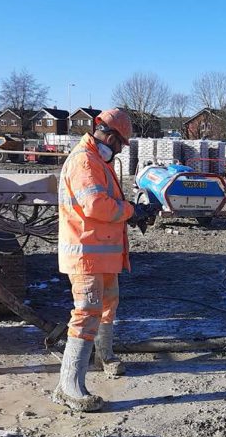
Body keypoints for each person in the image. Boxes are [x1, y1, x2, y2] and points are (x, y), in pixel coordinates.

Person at [53, 108, 158, 412]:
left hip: (102, 254)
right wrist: (130, 211)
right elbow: (96, 205)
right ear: (110, 137)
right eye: (121, 145)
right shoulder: (84, 160)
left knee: (107, 303)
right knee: (86, 312)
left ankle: (104, 356)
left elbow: (108, 202)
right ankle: (69, 385)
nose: (121, 150)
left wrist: (131, 212)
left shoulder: (97, 160)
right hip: (86, 254)